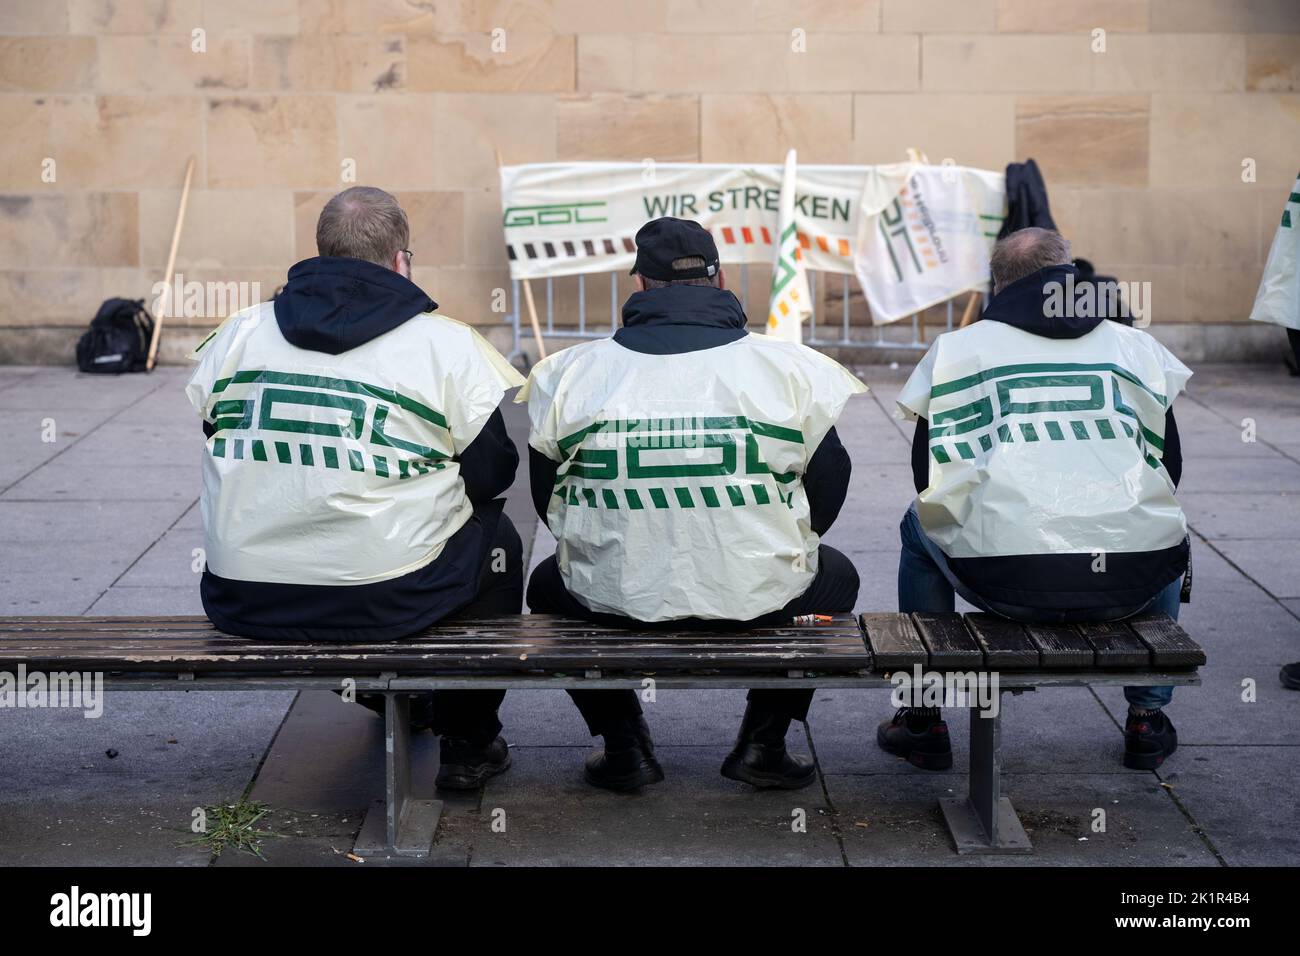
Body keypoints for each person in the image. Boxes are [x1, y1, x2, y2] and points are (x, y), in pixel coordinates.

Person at [185, 186, 525, 791]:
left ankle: (389, 697)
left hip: (244, 596)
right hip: (384, 597)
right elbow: (493, 474)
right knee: (496, 539)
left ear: (318, 252)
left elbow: (214, 433)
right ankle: (467, 743)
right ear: (401, 261)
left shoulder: (239, 332)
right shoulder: (444, 343)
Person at [520, 217, 866, 792]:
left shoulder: (571, 373)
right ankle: (764, 744)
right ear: (720, 277)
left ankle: (625, 747)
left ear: (640, 286)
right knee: (837, 578)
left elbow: (548, 502)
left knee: (546, 587)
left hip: (611, 598)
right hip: (761, 597)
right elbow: (831, 486)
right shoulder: (787, 368)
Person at [879, 227, 1191, 771]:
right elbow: (1171, 469)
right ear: (1070, 273)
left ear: (999, 284)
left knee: (917, 522)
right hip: (1128, 580)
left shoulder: (958, 351)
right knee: (1161, 516)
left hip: (1001, 580)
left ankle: (923, 718)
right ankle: (1147, 716)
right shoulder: (1136, 347)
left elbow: (926, 476)